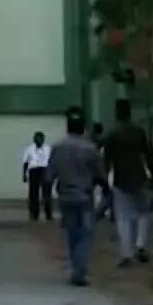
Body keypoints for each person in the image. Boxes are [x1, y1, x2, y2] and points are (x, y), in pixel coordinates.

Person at [49, 110, 107, 286]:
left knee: (71, 233)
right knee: (85, 233)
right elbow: (100, 174)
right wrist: (106, 189)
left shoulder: (58, 147)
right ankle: (80, 270)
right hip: (84, 195)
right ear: (83, 128)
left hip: (66, 195)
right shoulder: (90, 148)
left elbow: (49, 175)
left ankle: (76, 267)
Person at [102, 98, 153, 267]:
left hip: (121, 179)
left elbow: (106, 161)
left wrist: (104, 182)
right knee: (144, 213)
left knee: (123, 218)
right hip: (139, 177)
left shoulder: (112, 135)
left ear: (116, 114)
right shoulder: (139, 132)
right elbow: (148, 155)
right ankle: (140, 245)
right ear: (129, 113)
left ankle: (127, 254)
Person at [22, 131, 53, 222]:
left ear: (44, 139)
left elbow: (52, 161)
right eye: (37, 138)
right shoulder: (29, 149)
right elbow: (25, 162)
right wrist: (24, 174)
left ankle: (48, 214)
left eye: (40, 138)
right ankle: (34, 214)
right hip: (34, 170)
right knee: (33, 193)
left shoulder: (48, 149)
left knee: (47, 193)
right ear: (34, 139)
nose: (38, 139)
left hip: (45, 170)